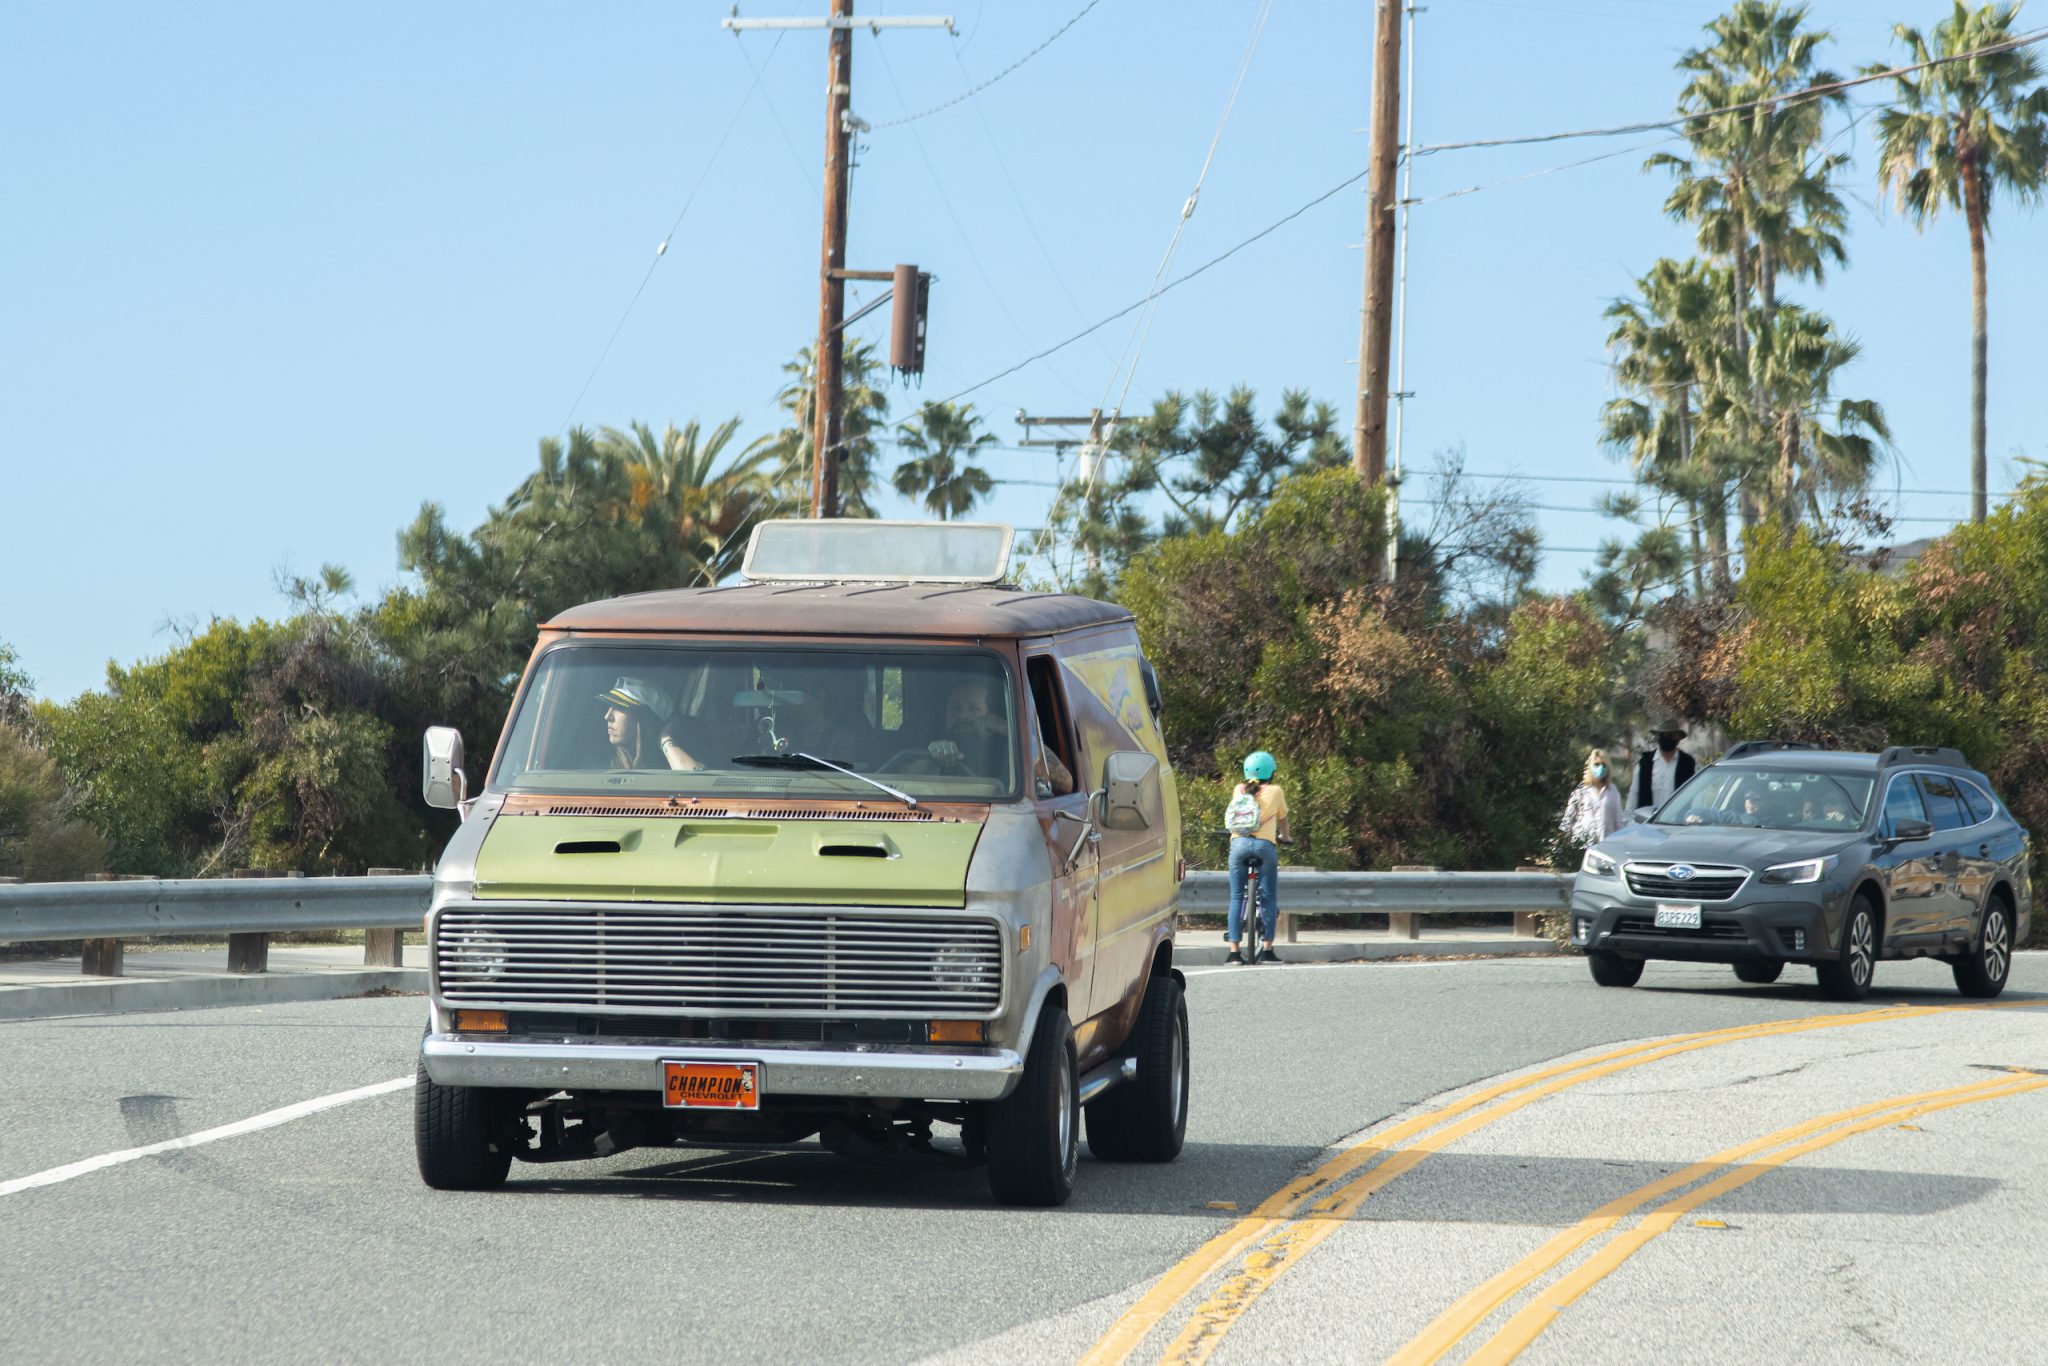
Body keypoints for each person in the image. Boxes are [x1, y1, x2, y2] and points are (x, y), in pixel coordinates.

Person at [1225, 751, 1290, 966]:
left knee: (1236, 896)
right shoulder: (1276, 791)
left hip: (1239, 845)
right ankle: (1267, 950)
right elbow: (1283, 819)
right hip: (1264, 847)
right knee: (1268, 897)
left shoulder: (1239, 789)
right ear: (1272, 772)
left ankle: (1234, 952)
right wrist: (1285, 837)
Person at [598, 677, 701, 771]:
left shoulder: (667, 765)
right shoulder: (596, 762)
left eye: (620, 707)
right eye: (610, 706)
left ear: (645, 721)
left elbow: (696, 784)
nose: (607, 716)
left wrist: (665, 738)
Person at [1560, 747, 1624, 849]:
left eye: (1603, 765)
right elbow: (1568, 818)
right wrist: (1562, 841)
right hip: (1582, 845)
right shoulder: (1581, 790)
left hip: (1606, 846)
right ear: (1590, 767)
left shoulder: (1613, 791)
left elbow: (1619, 822)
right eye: (1597, 765)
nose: (1600, 768)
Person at [1634, 722, 1697, 813]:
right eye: (1663, 735)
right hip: (1648, 822)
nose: (1667, 739)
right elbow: (1634, 793)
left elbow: (1694, 793)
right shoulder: (1645, 763)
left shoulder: (1687, 763)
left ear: (1678, 739)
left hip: (1677, 822)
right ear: (1658, 738)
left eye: (1671, 736)